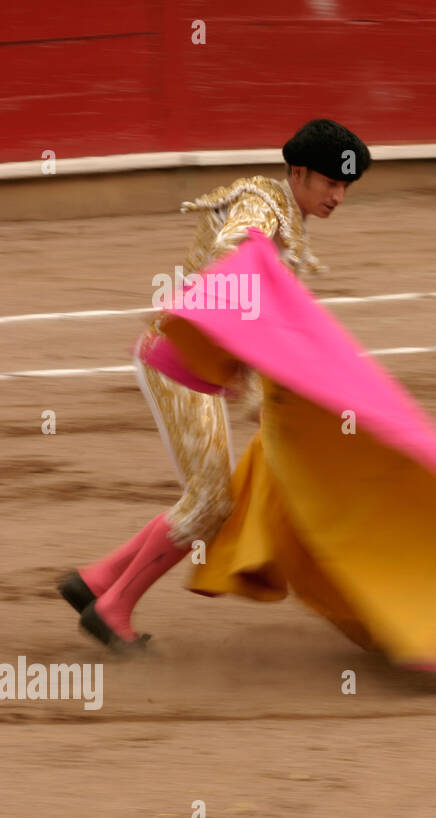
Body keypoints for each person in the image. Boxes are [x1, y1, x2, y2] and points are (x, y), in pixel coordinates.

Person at [58, 119, 372, 649]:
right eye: (329, 183)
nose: (338, 196)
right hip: (180, 365)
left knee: (209, 499)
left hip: (196, 367)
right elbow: (235, 247)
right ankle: (112, 611)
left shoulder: (286, 211)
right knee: (209, 505)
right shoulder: (262, 204)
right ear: (298, 172)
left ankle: (96, 580)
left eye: (345, 187)